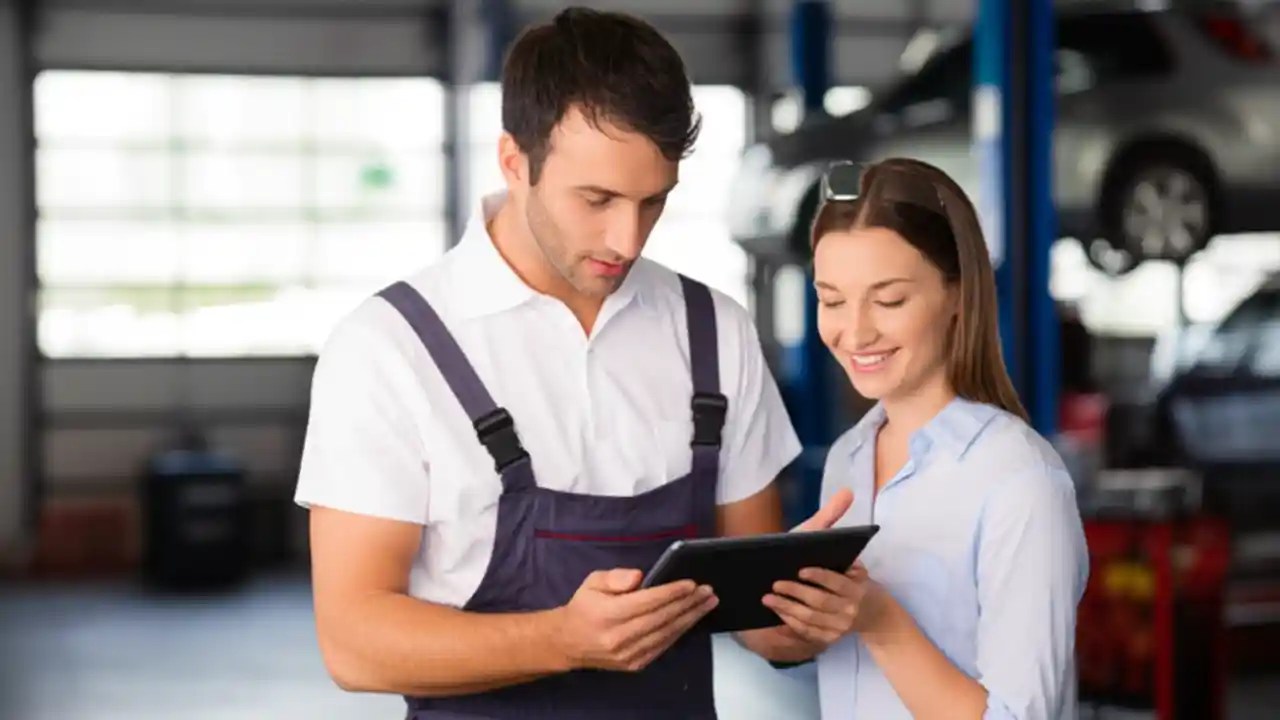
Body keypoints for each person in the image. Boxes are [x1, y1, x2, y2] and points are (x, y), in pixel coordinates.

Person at [293, 7, 843, 718]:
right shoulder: (389, 348)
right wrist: (562, 640)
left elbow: (759, 622)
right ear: (514, 162)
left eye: (653, 202)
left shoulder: (716, 333)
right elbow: (353, 643)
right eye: (596, 199)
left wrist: (802, 617)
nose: (627, 239)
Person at [741, 158, 1089, 719]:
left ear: (957, 295)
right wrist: (793, 597)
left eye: (889, 300)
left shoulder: (1020, 480)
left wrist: (880, 621)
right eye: (832, 300)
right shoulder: (849, 459)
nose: (856, 332)